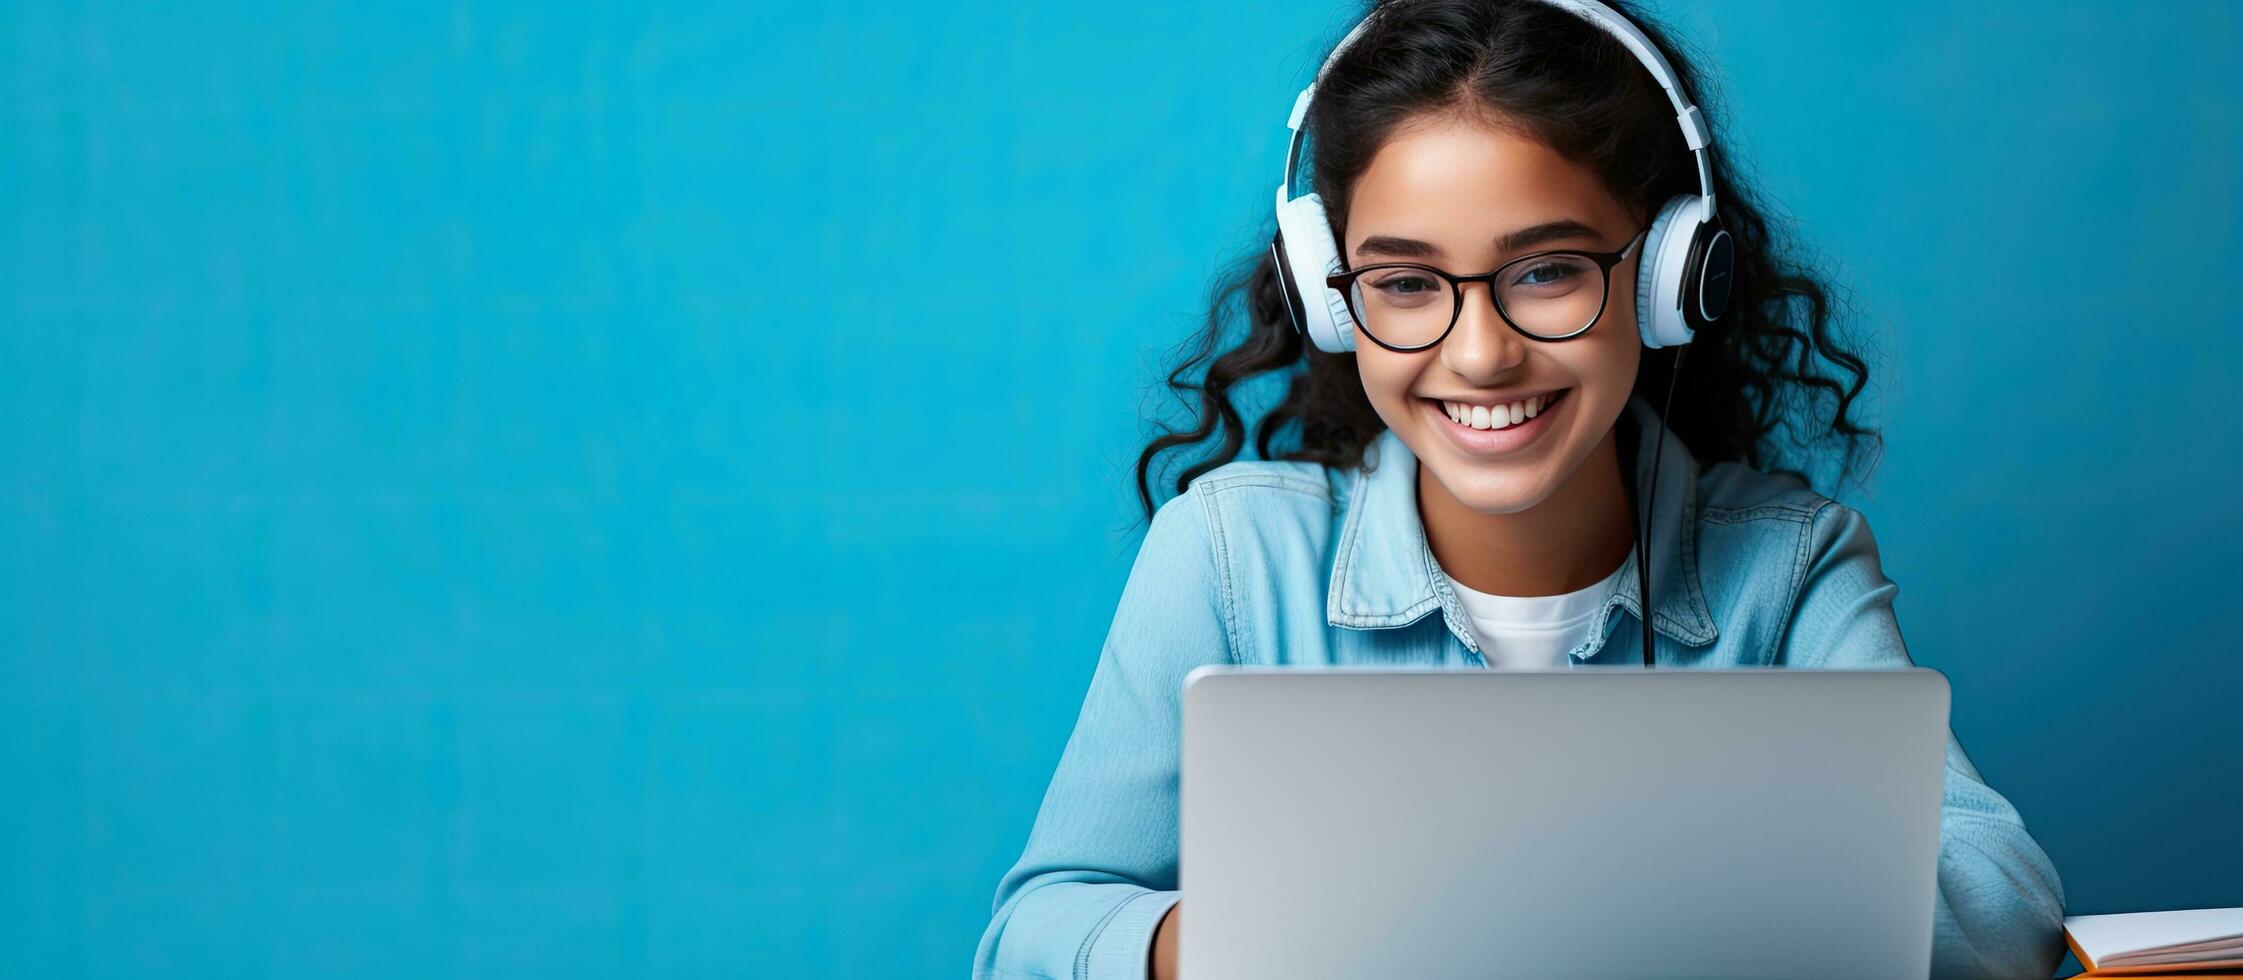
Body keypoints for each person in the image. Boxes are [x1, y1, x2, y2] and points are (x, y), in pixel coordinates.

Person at [974, 1, 2066, 977]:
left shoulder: (1786, 569)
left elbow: (1998, 901)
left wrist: (1578, 888)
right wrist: (1215, 938)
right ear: (1328, 292)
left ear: (1667, 280)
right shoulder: (1224, 554)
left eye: (1544, 271)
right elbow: (1034, 931)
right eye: (1404, 283)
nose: (1480, 354)